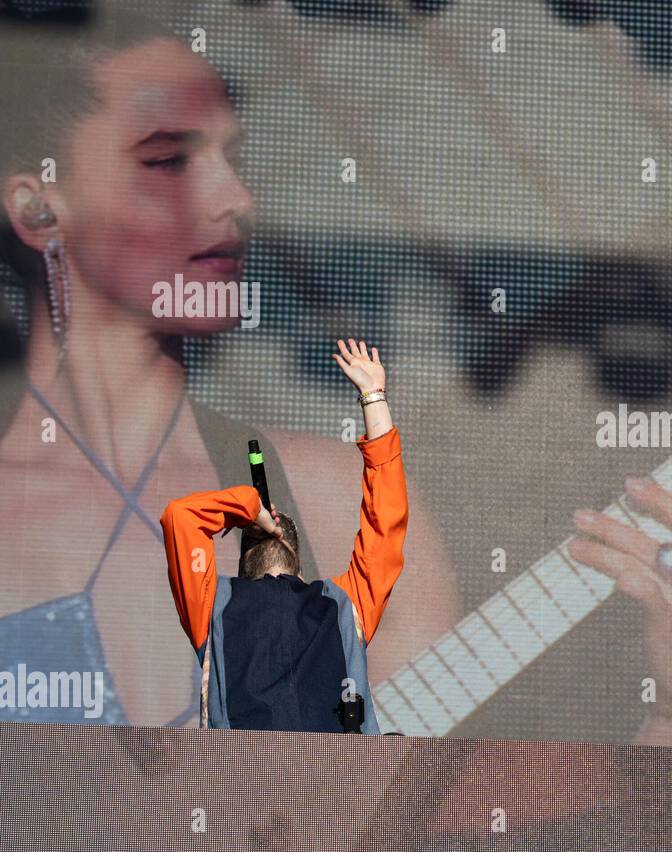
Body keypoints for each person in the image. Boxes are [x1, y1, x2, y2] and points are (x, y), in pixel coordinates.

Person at [0, 10, 459, 727]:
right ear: (37, 208)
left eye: (231, 159)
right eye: (168, 161)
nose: (236, 201)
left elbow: (429, 820)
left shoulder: (342, 501)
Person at [160, 339, 403, 733]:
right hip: (245, 789)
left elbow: (386, 519)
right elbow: (179, 518)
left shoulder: (344, 606)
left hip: (336, 789)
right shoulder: (213, 605)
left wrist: (374, 397)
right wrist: (248, 504)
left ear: (301, 564)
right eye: (262, 521)